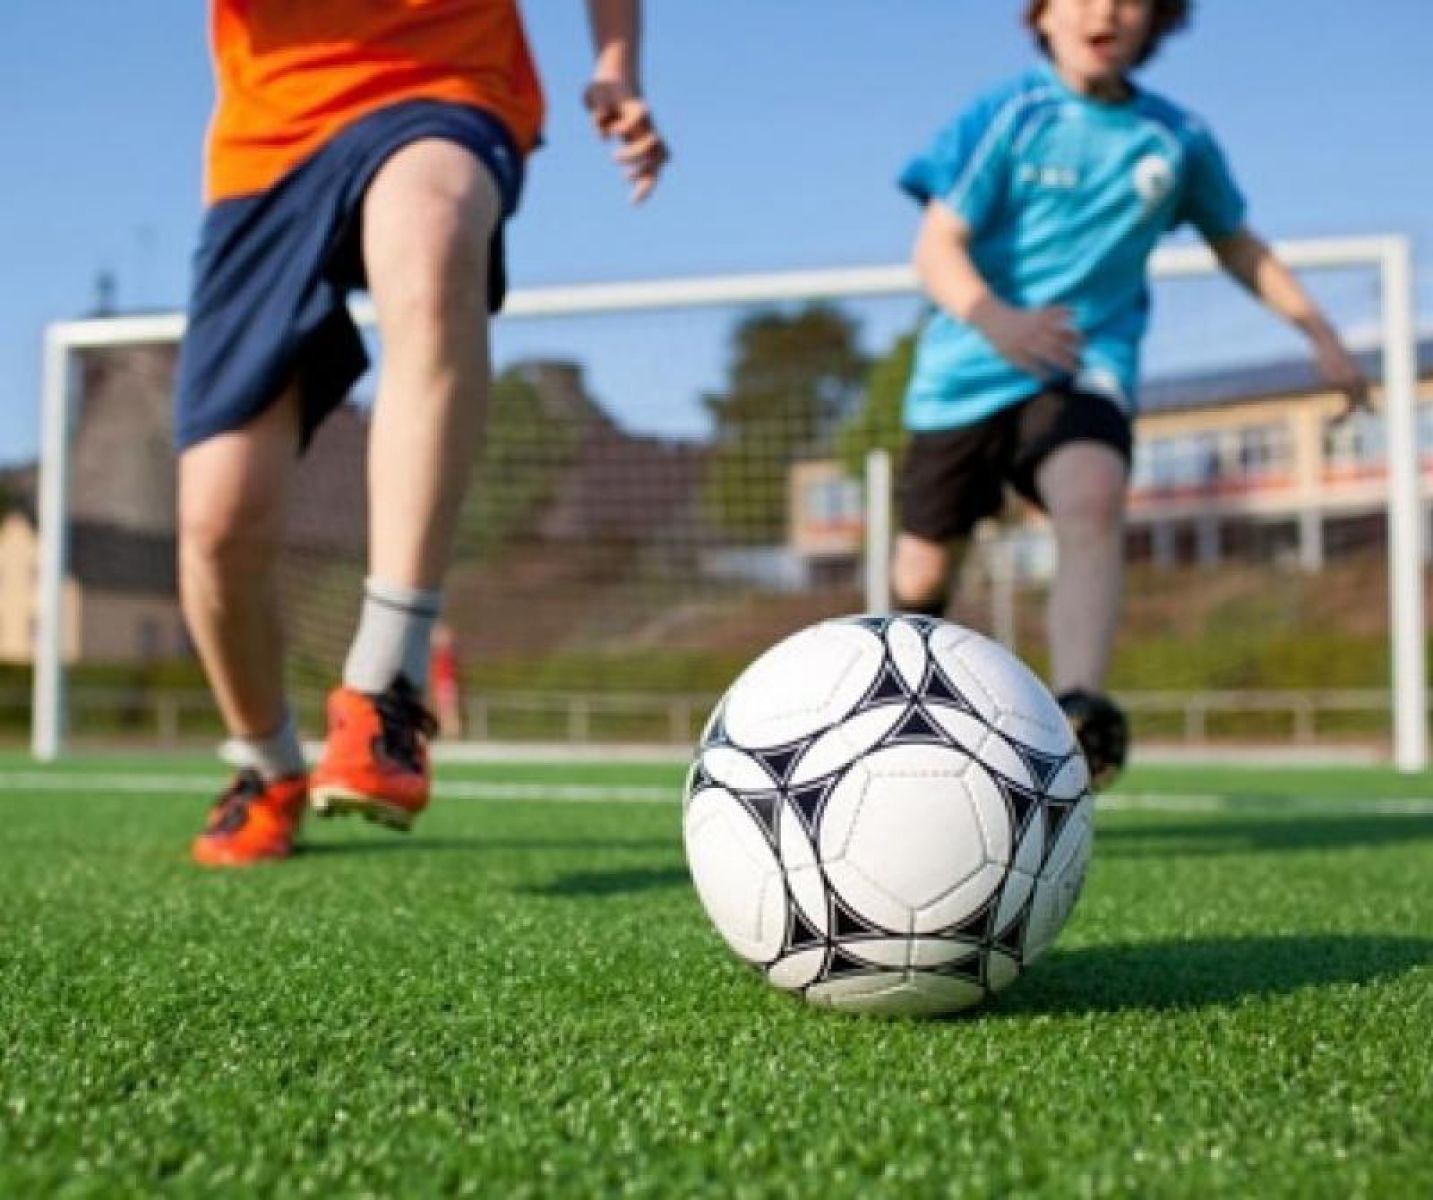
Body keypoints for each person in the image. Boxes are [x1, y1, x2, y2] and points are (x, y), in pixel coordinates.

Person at [184, 0, 668, 866]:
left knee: (432, 231)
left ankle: (386, 684)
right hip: (268, 142)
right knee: (218, 526)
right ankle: (265, 763)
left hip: (445, 88)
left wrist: (616, 61)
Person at [891, 0, 1366, 790]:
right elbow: (935, 244)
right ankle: (896, 710)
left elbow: (1238, 243)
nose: (1101, 11)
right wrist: (997, 321)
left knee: (1091, 491)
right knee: (918, 578)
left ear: (1156, 21)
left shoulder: (1175, 138)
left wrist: (1318, 333)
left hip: (1085, 361)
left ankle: (1076, 711)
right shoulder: (1010, 115)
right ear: (1041, 15)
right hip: (968, 370)